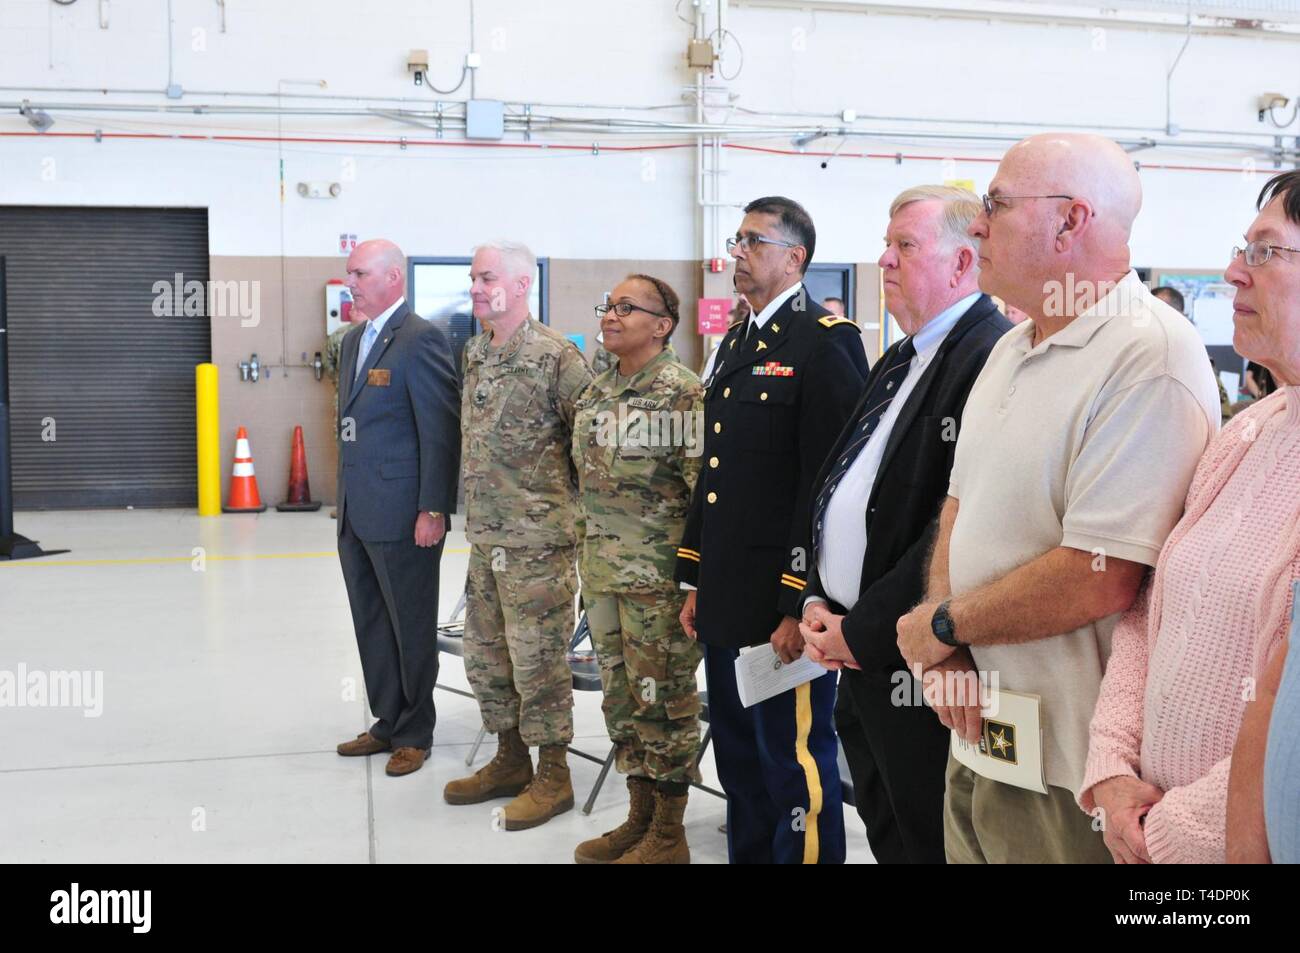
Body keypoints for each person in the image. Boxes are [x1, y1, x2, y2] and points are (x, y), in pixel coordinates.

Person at [895, 133, 1221, 863]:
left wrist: (942, 624)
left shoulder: (1149, 355)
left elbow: (1100, 575)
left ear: (1070, 222)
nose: (977, 223)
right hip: (981, 737)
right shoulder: (1012, 347)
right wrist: (946, 651)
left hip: (1072, 773)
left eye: (996, 205)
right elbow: (959, 505)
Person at [1082, 169, 1300, 864]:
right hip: (1147, 826)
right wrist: (1113, 773)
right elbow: (1151, 612)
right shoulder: (1250, 432)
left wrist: (1167, 833)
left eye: (1265, 251)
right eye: (1243, 249)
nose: (1234, 271)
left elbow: (1288, 722)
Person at [798, 185, 1011, 863]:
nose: (884, 260)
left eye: (904, 246)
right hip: (853, 643)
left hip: (913, 655)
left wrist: (860, 631)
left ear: (961, 263)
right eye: (886, 245)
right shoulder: (899, 355)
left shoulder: (988, 355)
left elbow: (954, 522)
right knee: (886, 826)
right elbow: (841, 482)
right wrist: (815, 596)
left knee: (929, 836)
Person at [675, 195, 869, 864]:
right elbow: (718, 470)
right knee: (740, 764)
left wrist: (800, 599)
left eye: (754, 241)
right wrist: (697, 576)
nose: (738, 253)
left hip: (781, 610)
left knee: (793, 770)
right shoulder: (737, 339)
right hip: (730, 600)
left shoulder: (825, 342)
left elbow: (831, 486)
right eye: (737, 240)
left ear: (796, 257)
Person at [442, 240, 594, 829]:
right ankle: (509, 758)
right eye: (473, 278)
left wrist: (575, 523)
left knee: (539, 663)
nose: (476, 288)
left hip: (540, 546)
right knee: (485, 655)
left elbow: (589, 447)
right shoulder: (475, 352)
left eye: (486, 278)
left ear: (522, 284)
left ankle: (553, 774)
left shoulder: (558, 357)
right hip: (487, 537)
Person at [570, 274, 704, 864]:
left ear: (662, 324)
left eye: (629, 307)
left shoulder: (683, 393)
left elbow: (705, 499)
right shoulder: (597, 391)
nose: (612, 314)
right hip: (602, 578)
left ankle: (669, 834)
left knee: (664, 703)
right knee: (621, 703)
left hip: (657, 586)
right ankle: (640, 817)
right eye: (609, 305)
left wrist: (698, 584)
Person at [334, 239, 461, 777]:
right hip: (356, 508)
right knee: (371, 620)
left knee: (410, 623)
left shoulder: (420, 339)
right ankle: (387, 719)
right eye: (350, 274)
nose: (351, 283)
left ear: (393, 278)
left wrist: (433, 506)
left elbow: (440, 430)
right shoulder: (351, 342)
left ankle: (415, 730)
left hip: (405, 510)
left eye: (360, 273)